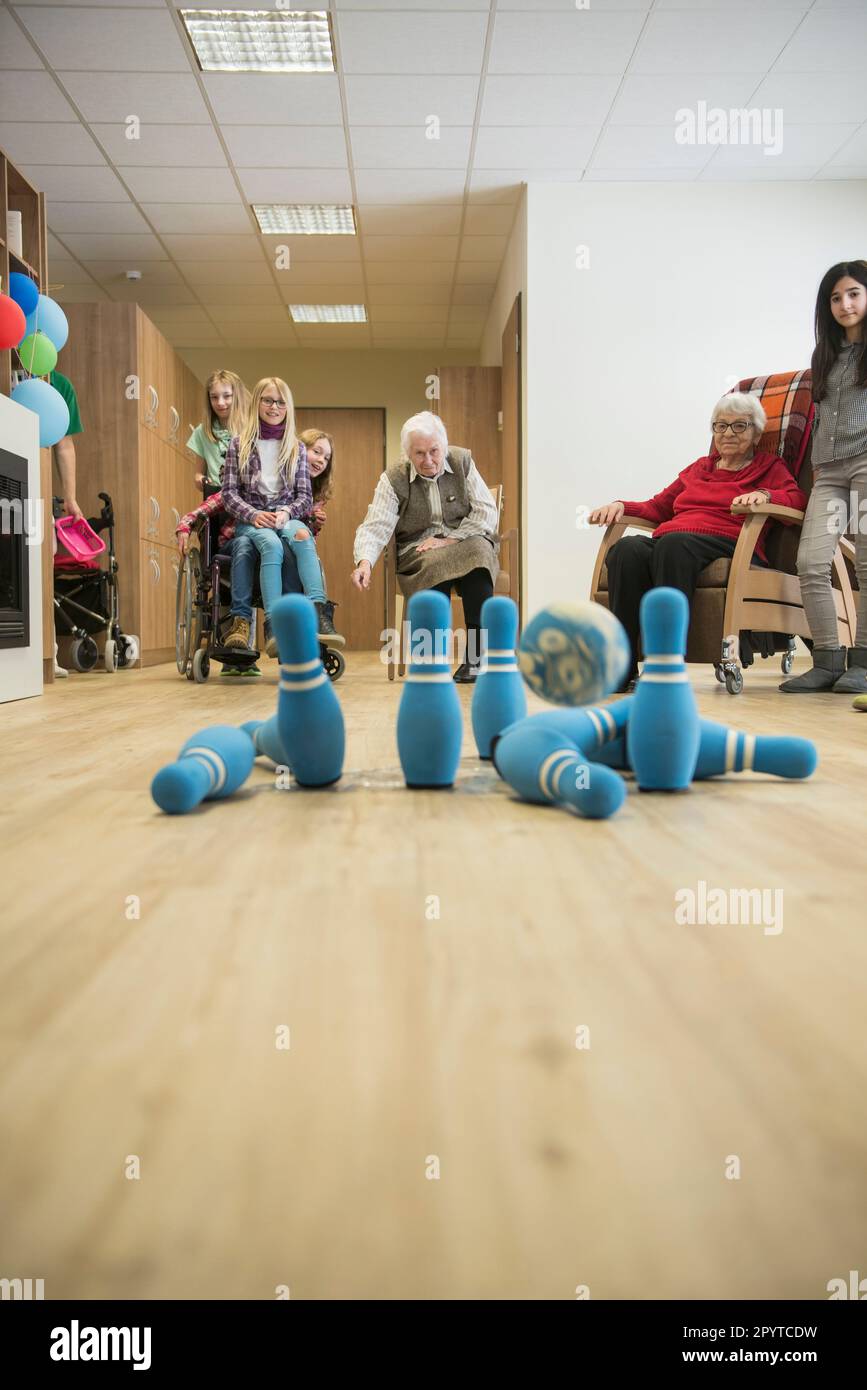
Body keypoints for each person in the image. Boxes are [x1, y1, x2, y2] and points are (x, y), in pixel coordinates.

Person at [589, 393, 806, 688]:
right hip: (678, 539)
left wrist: (767, 495)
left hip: (729, 540)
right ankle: (622, 667)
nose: (728, 433)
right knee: (626, 549)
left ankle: (664, 663)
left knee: (673, 544)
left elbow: (796, 500)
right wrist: (622, 507)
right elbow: (657, 507)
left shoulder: (769, 467)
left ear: (756, 433)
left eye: (739, 426)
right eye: (720, 426)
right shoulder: (699, 468)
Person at [351, 411, 499, 682]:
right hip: (418, 549)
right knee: (433, 561)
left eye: (434, 451)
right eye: (419, 454)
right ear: (408, 453)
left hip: (464, 539)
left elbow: (487, 512)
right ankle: (432, 658)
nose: (428, 460)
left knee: (480, 552)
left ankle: (476, 658)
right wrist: (364, 561)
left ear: (444, 446)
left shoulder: (462, 461)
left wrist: (450, 539)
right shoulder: (393, 478)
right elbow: (376, 524)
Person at [780, 260, 867, 693]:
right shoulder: (825, 355)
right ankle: (828, 660)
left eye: (853, 294)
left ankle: (863, 662)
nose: (844, 304)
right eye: (835, 297)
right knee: (810, 562)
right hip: (829, 471)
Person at [221, 379, 343, 658]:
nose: (274, 407)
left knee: (303, 537)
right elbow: (228, 494)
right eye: (267, 400)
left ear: (288, 407)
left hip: (286, 515)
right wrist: (254, 515)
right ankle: (272, 624)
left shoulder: (296, 448)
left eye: (280, 402)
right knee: (272, 546)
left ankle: (320, 612)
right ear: (257, 404)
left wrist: (287, 512)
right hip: (252, 519)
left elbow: (304, 496)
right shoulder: (238, 445)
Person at [175, 491, 303, 677]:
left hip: (269, 551)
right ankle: (239, 623)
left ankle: (288, 630)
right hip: (234, 549)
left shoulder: (280, 492)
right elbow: (199, 513)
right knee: (244, 542)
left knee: (287, 550)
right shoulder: (235, 491)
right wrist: (184, 527)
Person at [49, 368, 83, 677]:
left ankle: (47, 653)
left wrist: (69, 498)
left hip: (31, 486)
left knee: (41, 568)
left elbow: (64, 444)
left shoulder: (59, 383)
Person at [187, 370, 250, 492]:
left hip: (244, 498)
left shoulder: (251, 430)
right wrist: (200, 479)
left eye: (227, 396)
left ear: (237, 396)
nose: (220, 403)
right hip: (215, 496)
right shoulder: (202, 432)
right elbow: (198, 473)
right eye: (214, 397)